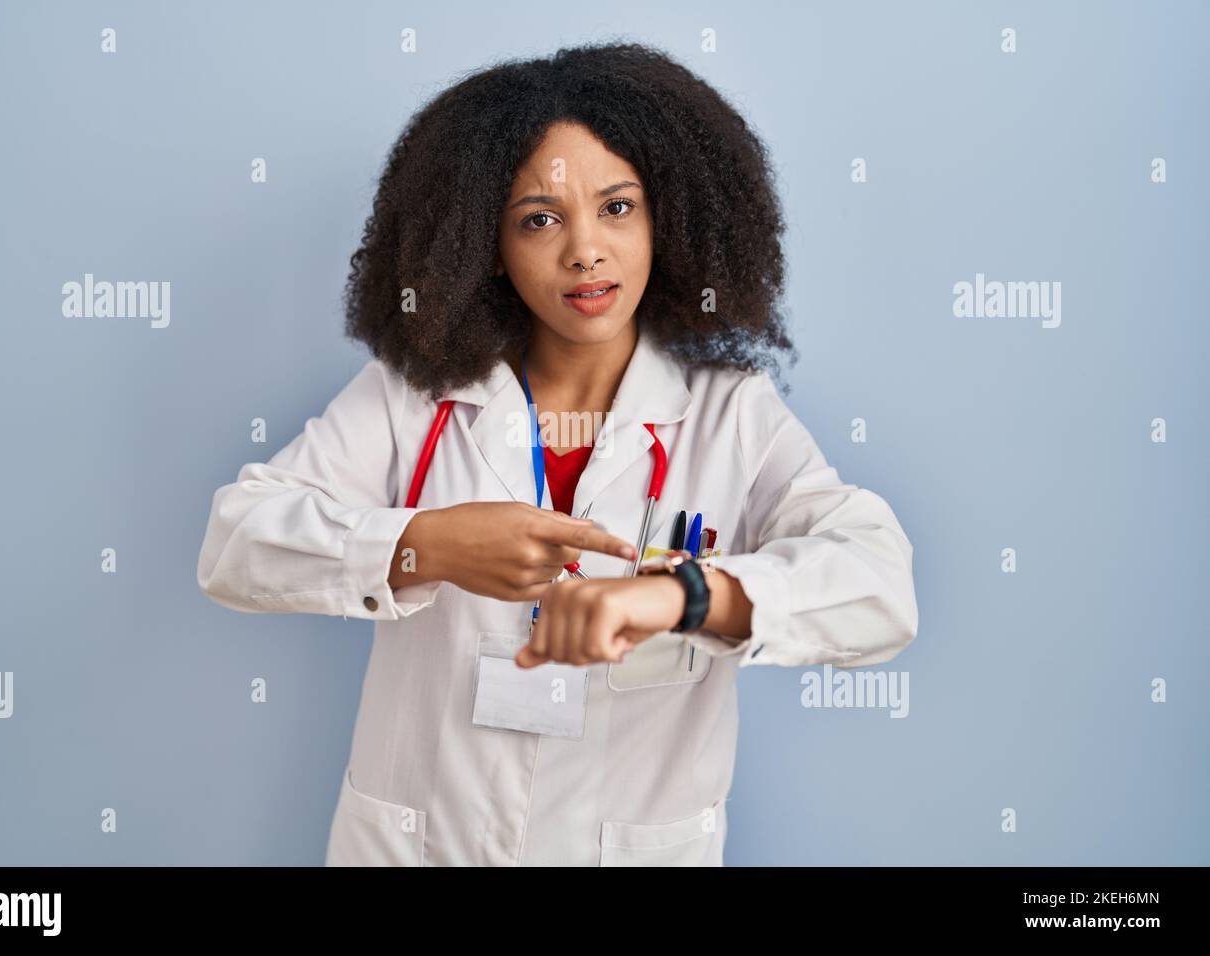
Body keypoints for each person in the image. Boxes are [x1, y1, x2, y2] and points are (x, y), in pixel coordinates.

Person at [196, 42, 919, 866]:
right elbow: (235, 544)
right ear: (482, 244)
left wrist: (685, 596)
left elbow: (880, 584)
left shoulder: (730, 415)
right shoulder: (411, 398)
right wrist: (426, 544)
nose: (585, 250)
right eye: (539, 219)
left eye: (618, 208)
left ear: (669, 219)